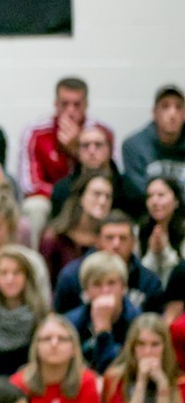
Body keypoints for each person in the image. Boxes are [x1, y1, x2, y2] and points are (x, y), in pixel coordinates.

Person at [19, 78, 113, 243]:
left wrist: (78, 149)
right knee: (34, 207)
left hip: (94, 195)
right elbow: (29, 185)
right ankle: (33, 265)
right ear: (55, 104)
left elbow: (111, 175)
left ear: (86, 105)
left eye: (77, 105)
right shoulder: (36, 132)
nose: (71, 111)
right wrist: (64, 194)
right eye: (65, 104)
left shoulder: (100, 132)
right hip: (51, 198)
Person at [0, 246, 51, 380]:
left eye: (16, 273)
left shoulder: (42, 314)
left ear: (27, 276)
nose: (10, 279)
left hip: (29, 387)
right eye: (4, 273)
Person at [66, 251, 144, 374]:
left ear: (123, 287)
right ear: (86, 290)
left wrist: (103, 331)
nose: (105, 291)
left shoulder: (139, 322)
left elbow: (112, 371)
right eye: (97, 284)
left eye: (111, 283)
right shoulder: (70, 323)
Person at [40, 171, 116, 281]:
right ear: (81, 197)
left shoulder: (112, 239)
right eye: (97, 194)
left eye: (108, 197)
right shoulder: (53, 239)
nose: (102, 201)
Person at [121, 84, 185, 198]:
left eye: (178, 107)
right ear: (154, 113)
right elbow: (137, 190)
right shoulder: (134, 146)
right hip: (146, 212)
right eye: (165, 106)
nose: (172, 114)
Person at [138, 176, 185, 282]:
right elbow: (140, 275)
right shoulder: (140, 230)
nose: (154, 201)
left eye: (161, 195)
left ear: (176, 200)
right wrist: (152, 253)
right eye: (150, 196)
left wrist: (164, 251)